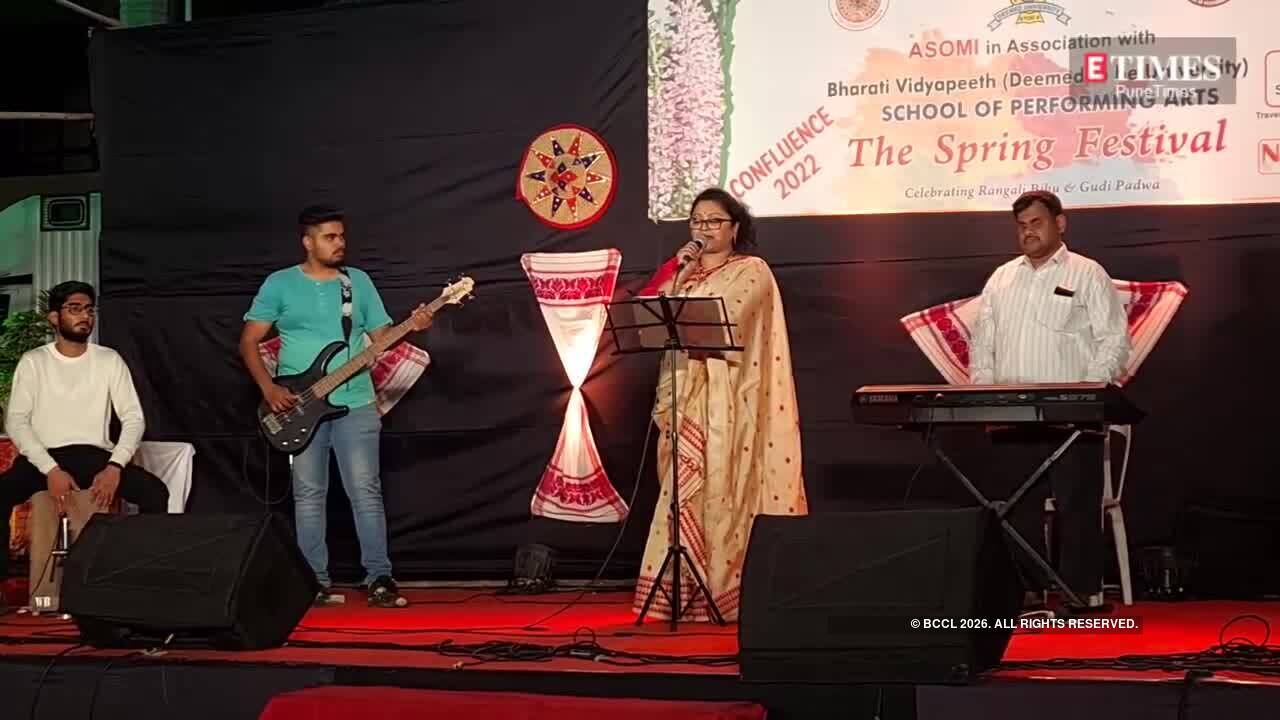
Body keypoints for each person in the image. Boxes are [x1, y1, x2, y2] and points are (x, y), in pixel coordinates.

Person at [239, 205, 433, 608]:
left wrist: (413, 325)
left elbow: (381, 336)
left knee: (365, 491)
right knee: (309, 494)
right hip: (299, 405)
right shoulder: (279, 284)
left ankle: (379, 577)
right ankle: (314, 580)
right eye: (330, 237)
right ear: (307, 242)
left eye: (342, 236)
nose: (340, 243)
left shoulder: (357, 283)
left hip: (356, 401)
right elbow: (248, 341)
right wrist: (268, 389)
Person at [632, 187, 808, 623]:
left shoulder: (752, 271)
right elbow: (649, 318)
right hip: (683, 396)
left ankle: (724, 588)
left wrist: (685, 287)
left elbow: (725, 316)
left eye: (713, 221)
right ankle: (683, 593)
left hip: (728, 402)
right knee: (680, 489)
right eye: (696, 221)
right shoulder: (680, 273)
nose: (703, 229)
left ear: (735, 229)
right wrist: (678, 273)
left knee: (722, 486)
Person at [970, 189, 1130, 612]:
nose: (1028, 232)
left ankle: (1080, 595)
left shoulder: (1087, 273)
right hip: (1012, 410)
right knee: (1013, 507)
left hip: (1072, 412)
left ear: (1060, 223)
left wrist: (1088, 392)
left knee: (1078, 504)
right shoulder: (1002, 278)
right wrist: (986, 397)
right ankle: (1023, 593)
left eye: (1036, 223)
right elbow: (982, 343)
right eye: (1021, 226)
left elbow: (1113, 338)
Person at [1, 281, 170, 594]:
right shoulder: (34, 361)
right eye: (74, 309)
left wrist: (115, 466)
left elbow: (133, 418)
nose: (85, 317)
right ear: (54, 318)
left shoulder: (108, 360)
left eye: (89, 310)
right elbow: (17, 421)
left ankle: (142, 581)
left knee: (155, 493)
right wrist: (50, 469)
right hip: (44, 458)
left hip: (94, 457)